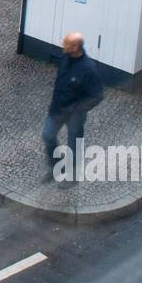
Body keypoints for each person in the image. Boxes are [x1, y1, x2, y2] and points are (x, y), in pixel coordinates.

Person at [40, 31, 104, 182]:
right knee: (48, 135)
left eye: (66, 44)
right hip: (58, 109)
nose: (63, 46)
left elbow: (97, 95)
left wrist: (78, 109)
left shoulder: (88, 69)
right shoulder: (66, 58)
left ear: (75, 47)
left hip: (75, 114)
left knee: (73, 145)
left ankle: (72, 176)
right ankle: (57, 166)